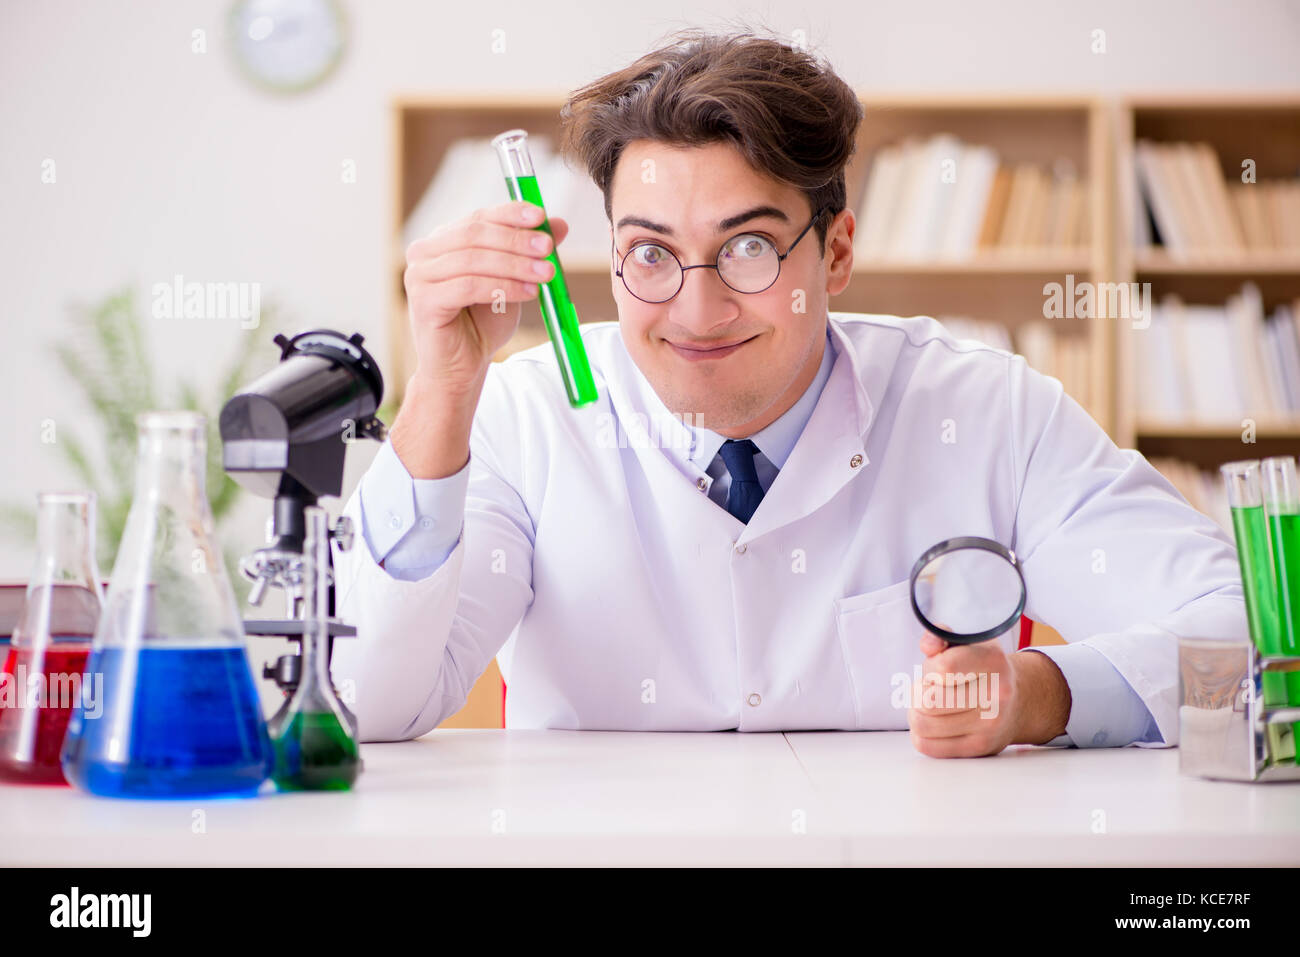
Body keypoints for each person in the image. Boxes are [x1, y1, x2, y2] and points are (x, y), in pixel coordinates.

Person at [331, 28, 1248, 758]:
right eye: (649, 253)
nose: (696, 307)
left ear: (836, 251)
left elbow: (1241, 632)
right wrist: (444, 389)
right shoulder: (523, 416)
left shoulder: (986, 409)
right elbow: (366, 702)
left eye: (749, 248)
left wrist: (1043, 693)